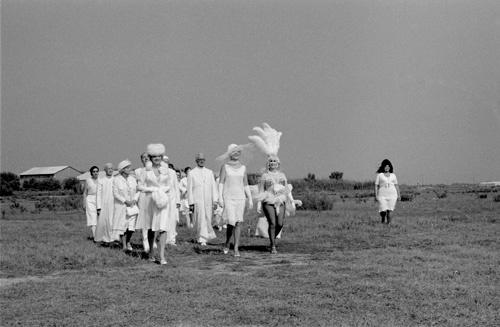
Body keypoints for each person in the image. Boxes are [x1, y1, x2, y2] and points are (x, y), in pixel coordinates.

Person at [217, 144, 253, 257]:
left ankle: (236, 247)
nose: (236, 154)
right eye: (234, 152)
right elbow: (221, 182)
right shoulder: (225, 166)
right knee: (231, 222)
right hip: (228, 197)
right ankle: (227, 242)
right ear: (230, 153)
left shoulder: (243, 167)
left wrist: (250, 198)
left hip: (240, 197)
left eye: (238, 152)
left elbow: (245, 183)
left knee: (238, 222)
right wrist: (219, 197)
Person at [144, 143, 175, 265]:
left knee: (163, 227)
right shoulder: (146, 171)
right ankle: (151, 250)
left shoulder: (166, 170)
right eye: (154, 156)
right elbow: (140, 186)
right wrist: (152, 190)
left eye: (159, 156)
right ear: (151, 158)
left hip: (163, 201)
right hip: (150, 200)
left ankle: (162, 255)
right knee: (151, 227)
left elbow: (170, 185)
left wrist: (162, 192)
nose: (157, 158)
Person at [256, 156, 288, 254]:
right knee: (272, 223)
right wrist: (258, 204)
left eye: (275, 161)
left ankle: (272, 238)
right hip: (268, 200)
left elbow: (286, 189)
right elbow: (261, 190)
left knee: (280, 223)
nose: (273, 163)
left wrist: (290, 200)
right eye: (271, 161)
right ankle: (273, 245)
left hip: (280, 200)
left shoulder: (282, 175)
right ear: (268, 164)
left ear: (278, 164)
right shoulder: (264, 176)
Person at [187, 153, 219, 246]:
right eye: (200, 159)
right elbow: (189, 189)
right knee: (200, 218)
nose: (202, 161)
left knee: (208, 218)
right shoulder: (192, 173)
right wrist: (191, 202)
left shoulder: (209, 172)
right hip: (198, 200)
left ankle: (205, 236)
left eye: (203, 159)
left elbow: (213, 187)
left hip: (208, 200)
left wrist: (215, 200)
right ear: (196, 161)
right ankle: (202, 238)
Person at [112, 160, 139, 251]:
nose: (129, 169)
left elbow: (137, 190)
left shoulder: (132, 179)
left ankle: (128, 241)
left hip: (132, 205)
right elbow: (115, 193)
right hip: (122, 206)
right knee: (122, 225)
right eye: (127, 168)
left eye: (129, 167)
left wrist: (134, 199)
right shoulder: (116, 179)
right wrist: (125, 201)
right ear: (122, 170)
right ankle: (123, 245)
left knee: (131, 226)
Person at [135, 152, 153, 253]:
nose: (145, 159)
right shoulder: (138, 171)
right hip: (142, 196)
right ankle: (145, 241)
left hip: (152, 195)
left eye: (147, 157)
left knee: (153, 219)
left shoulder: (153, 170)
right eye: (143, 158)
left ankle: (152, 240)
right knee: (144, 220)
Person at [374, 159, 401, 224]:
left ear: (390, 167)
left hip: (392, 195)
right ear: (383, 167)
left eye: (388, 166)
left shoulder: (393, 175)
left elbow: (396, 185)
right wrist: (376, 195)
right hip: (382, 195)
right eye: (385, 166)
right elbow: (376, 185)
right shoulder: (380, 175)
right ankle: (383, 218)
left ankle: (389, 223)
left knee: (390, 210)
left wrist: (399, 195)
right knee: (383, 210)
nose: (387, 168)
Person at [95, 163, 115, 244]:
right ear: (105, 170)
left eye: (111, 168)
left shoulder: (116, 180)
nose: (110, 170)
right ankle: (101, 237)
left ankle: (112, 238)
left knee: (112, 221)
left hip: (113, 203)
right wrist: (98, 207)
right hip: (104, 204)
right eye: (108, 168)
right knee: (103, 221)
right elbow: (98, 195)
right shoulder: (101, 181)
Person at [162, 156, 180, 246]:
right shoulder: (158, 172)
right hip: (162, 199)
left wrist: (178, 201)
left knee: (172, 219)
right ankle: (163, 239)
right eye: (163, 161)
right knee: (163, 219)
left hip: (172, 199)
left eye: (167, 162)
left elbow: (176, 187)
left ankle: (172, 239)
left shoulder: (172, 172)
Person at [82, 166, 99, 240]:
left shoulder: (101, 180)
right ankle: (95, 236)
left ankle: (101, 235)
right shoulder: (88, 181)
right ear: (91, 173)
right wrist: (84, 203)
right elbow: (85, 193)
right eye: (94, 171)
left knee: (100, 218)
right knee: (92, 218)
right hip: (90, 200)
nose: (95, 173)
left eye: (96, 171)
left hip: (99, 200)